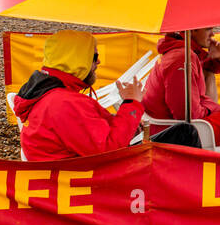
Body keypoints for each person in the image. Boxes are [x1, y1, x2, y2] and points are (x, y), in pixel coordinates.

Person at [13, 30, 145, 162]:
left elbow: (85, 127)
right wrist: (131, 103)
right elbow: (107, 150)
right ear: (77, 60)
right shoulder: (66, 103)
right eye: (94, 57)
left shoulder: (46, 90)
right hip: (74, 177)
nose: (98, 61)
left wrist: (127, 120)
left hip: (54, 172)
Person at [142, 28, 220, 148]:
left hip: (170, 126)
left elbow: (204, 71)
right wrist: (212, 109)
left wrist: (219, 60)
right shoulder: (181, 60)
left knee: (209, 73)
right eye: (208, 29)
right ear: (193, 30)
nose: (213, 34)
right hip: (178, 132)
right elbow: (186, 114)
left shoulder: (181, 50)